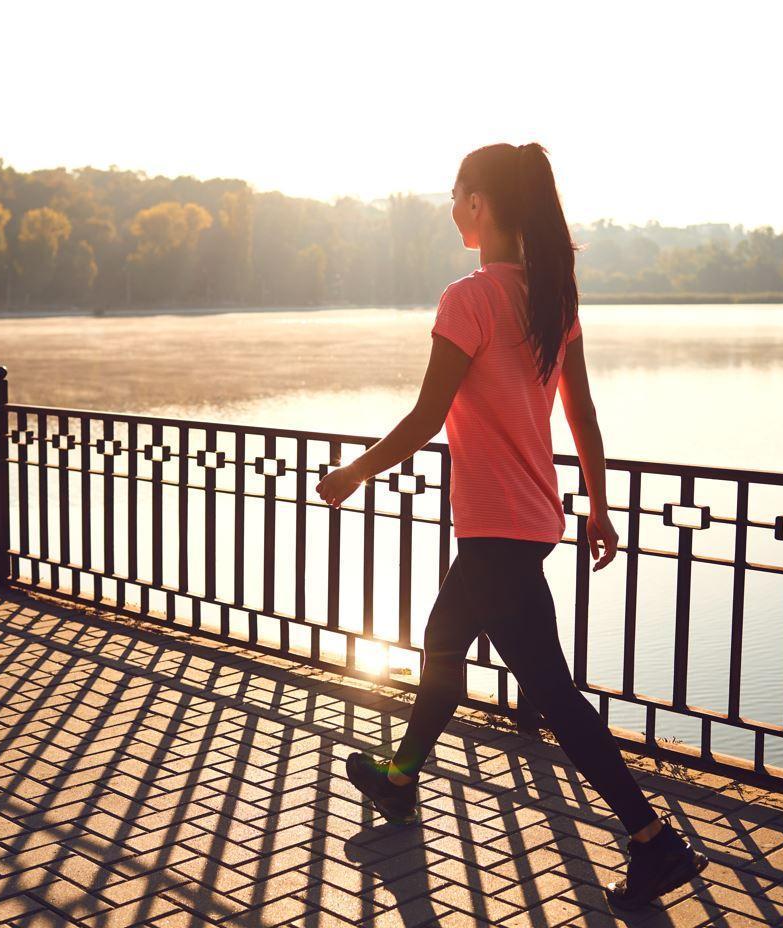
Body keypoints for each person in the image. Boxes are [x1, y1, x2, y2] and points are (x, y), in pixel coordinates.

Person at [314, 142, 708, 909]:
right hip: (529, 519)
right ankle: (400, 778)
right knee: (443, 642)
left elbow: (428, 416)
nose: (450, 208)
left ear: (481, 204)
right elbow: (582, 413)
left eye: (456, 194)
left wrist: (353, 473)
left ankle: (651, 840)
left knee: (552, 692)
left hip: (496, 525)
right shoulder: (551, 299)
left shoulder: (469, 298)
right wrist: (598, 504)